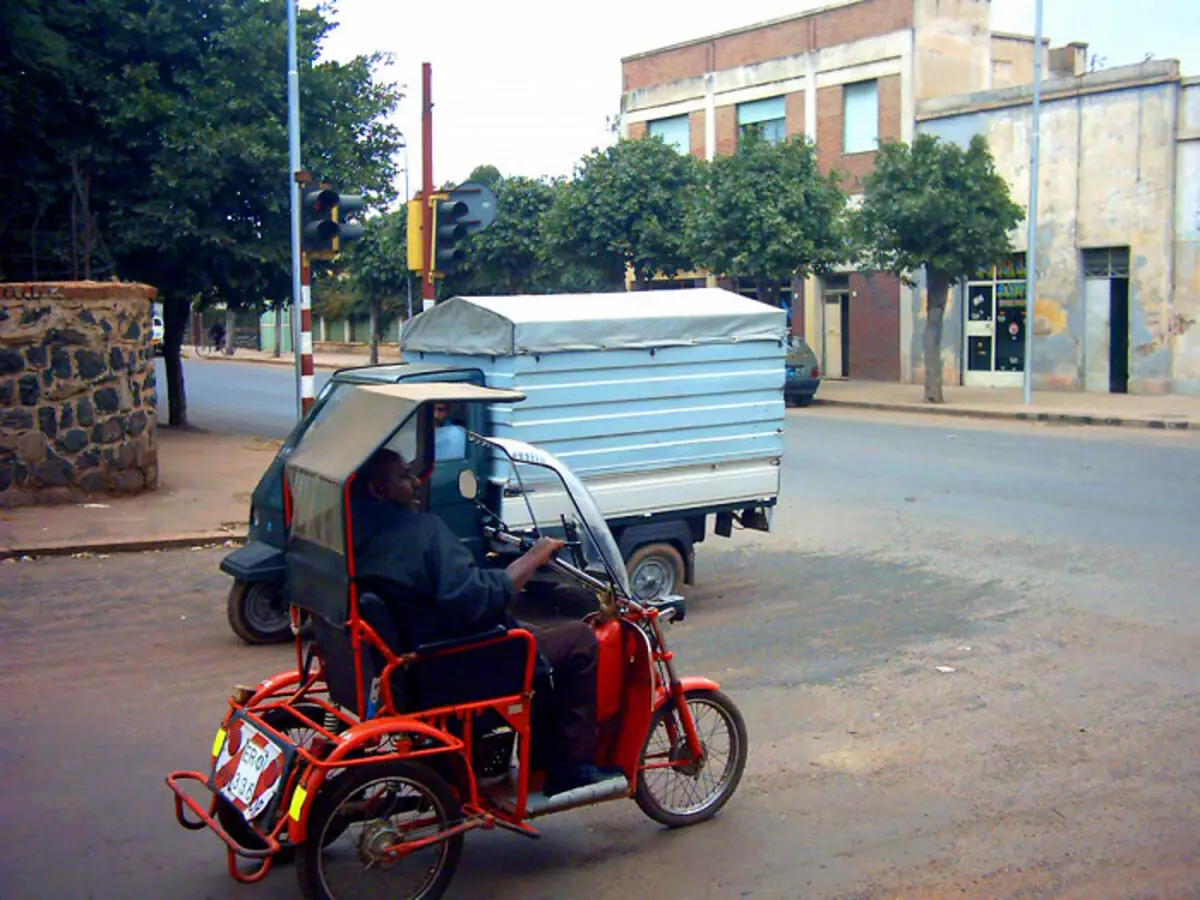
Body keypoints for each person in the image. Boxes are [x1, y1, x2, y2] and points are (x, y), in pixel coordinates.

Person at [351, 447, 618, 797]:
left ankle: (537, 757)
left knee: (533, 632)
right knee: (579, 639)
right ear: (378, 490)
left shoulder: (358, 534)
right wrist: (534, 558)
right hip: (455, 667)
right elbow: (477, 599)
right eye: (404, 476)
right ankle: (570, 768)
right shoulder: (422, 533)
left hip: (415, 658)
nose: (416, 482)